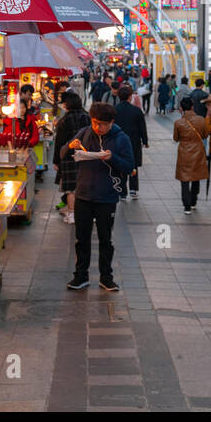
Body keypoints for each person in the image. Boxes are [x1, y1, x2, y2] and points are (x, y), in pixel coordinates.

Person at [65, 101, 135, 291]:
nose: (98, 127)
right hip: (83, 195)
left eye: (103, 124)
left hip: (107, 197)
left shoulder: (121, 139)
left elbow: (129, 167)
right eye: (95, 122)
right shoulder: (85, 132)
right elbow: (63, 152)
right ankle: (81, 276)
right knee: (82, 239)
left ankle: (106, 277)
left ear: (111, 122)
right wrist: (71, 146)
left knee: (105, 239)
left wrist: (112, 157)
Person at [52, 92, 90, 223]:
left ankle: (72, 214)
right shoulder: (87, 117)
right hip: (85, 156)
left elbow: (59, 143)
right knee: (85, 185)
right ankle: (87, 213)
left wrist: (56, 161)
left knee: (70, 189)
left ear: (67, 105)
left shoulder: (64, 120)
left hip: (68, 157)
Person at [173, 96, 209, 214]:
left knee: (184, 179)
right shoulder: (201, 120)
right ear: (193, 107)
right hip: (198, 150)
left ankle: (186, 206)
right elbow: (204, 135)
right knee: (195, 176)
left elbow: (176, 138)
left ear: (181, 108)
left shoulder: (178, 122)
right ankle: (193, 201)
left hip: (184, 151)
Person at [113, 85, 149, 199]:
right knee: (133, 165)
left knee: (120, 165)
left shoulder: (114, 110)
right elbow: (142, 127)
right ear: (130, 97)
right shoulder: (137, 111)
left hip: (118, 141)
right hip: (133, 141)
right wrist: (145, 141)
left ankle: (122, 191)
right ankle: (133, 190)